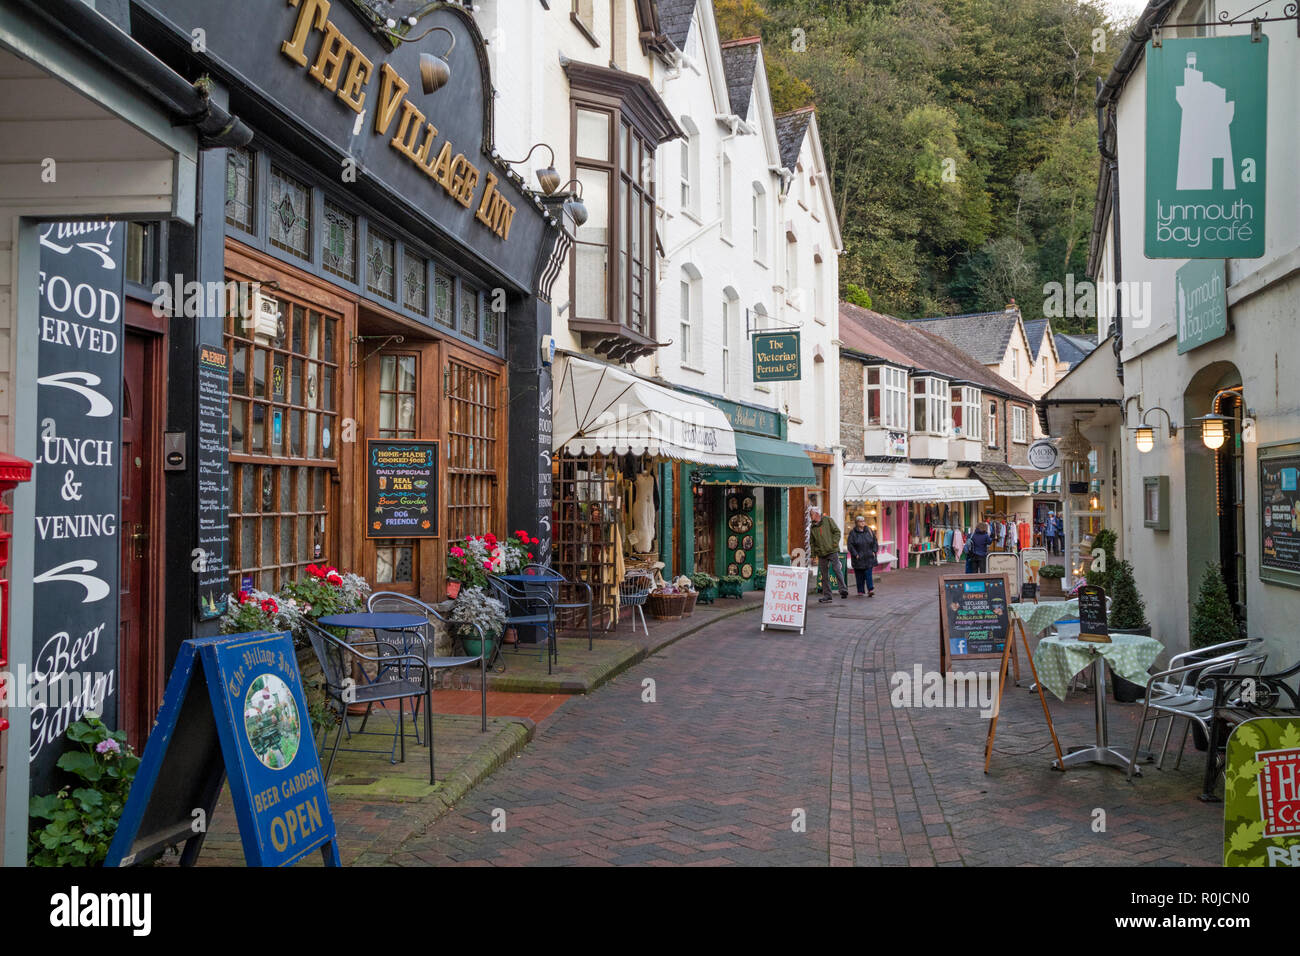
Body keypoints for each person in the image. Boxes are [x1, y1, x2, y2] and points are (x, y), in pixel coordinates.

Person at [809, 506, 849, 602]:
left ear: (816, 514)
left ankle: (843, 590)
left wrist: (834, 543)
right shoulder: (812, 527)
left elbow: (837, 532)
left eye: (811, 514)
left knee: (836, 569)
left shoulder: (828, 520)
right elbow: (812, 543)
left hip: (832, 551)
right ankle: (827, 596)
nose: (810, 516)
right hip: (821, 553)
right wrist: (813, 556)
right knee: (824, 575)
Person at [846, 515, 879, 597]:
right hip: (858, 558)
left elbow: (875, 541)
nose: (863, 522)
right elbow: (850, 545)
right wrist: (855, 554)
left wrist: (874, 551)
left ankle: (870, 589)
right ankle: (860, 591)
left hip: (868, 556)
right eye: (860, 521)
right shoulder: (853, 533)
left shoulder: (869, 531)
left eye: (863, 521)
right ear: (856, 523)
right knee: (859, 575)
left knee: (868, 574)